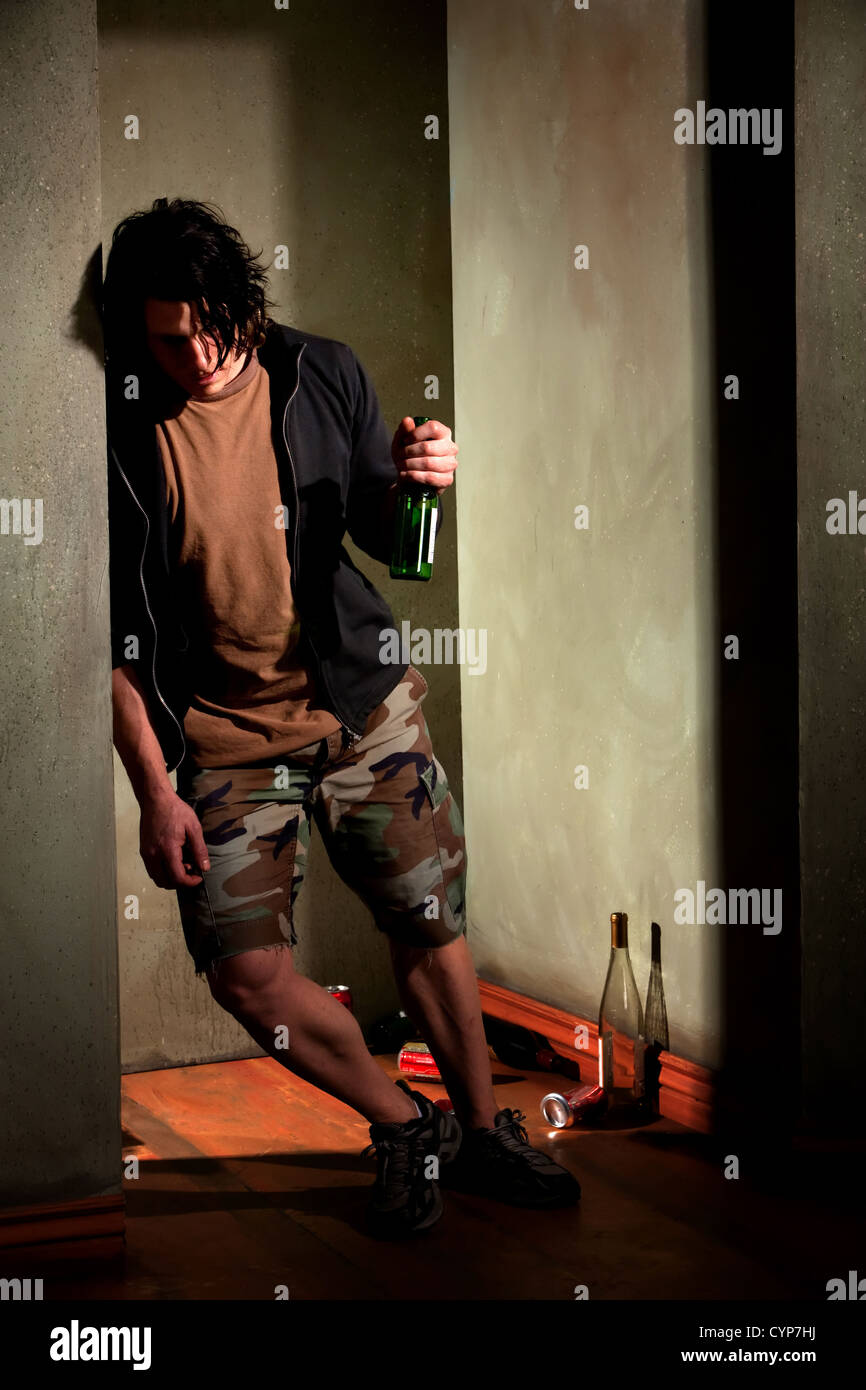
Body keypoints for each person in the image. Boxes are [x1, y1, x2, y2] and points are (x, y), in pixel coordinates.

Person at [103, 197, 580, 1239]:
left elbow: (382, 523)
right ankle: (405, 1123)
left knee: (427, 921)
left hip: (363, 710)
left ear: (241, 304)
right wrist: (154, 792)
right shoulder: (118, 430)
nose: (189, 354)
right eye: (163, 337)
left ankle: (485, 1131)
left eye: (205, 328)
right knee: (245, 973)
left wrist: (425, 479)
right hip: (223, 741)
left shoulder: (322, 370)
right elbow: (116, 645)